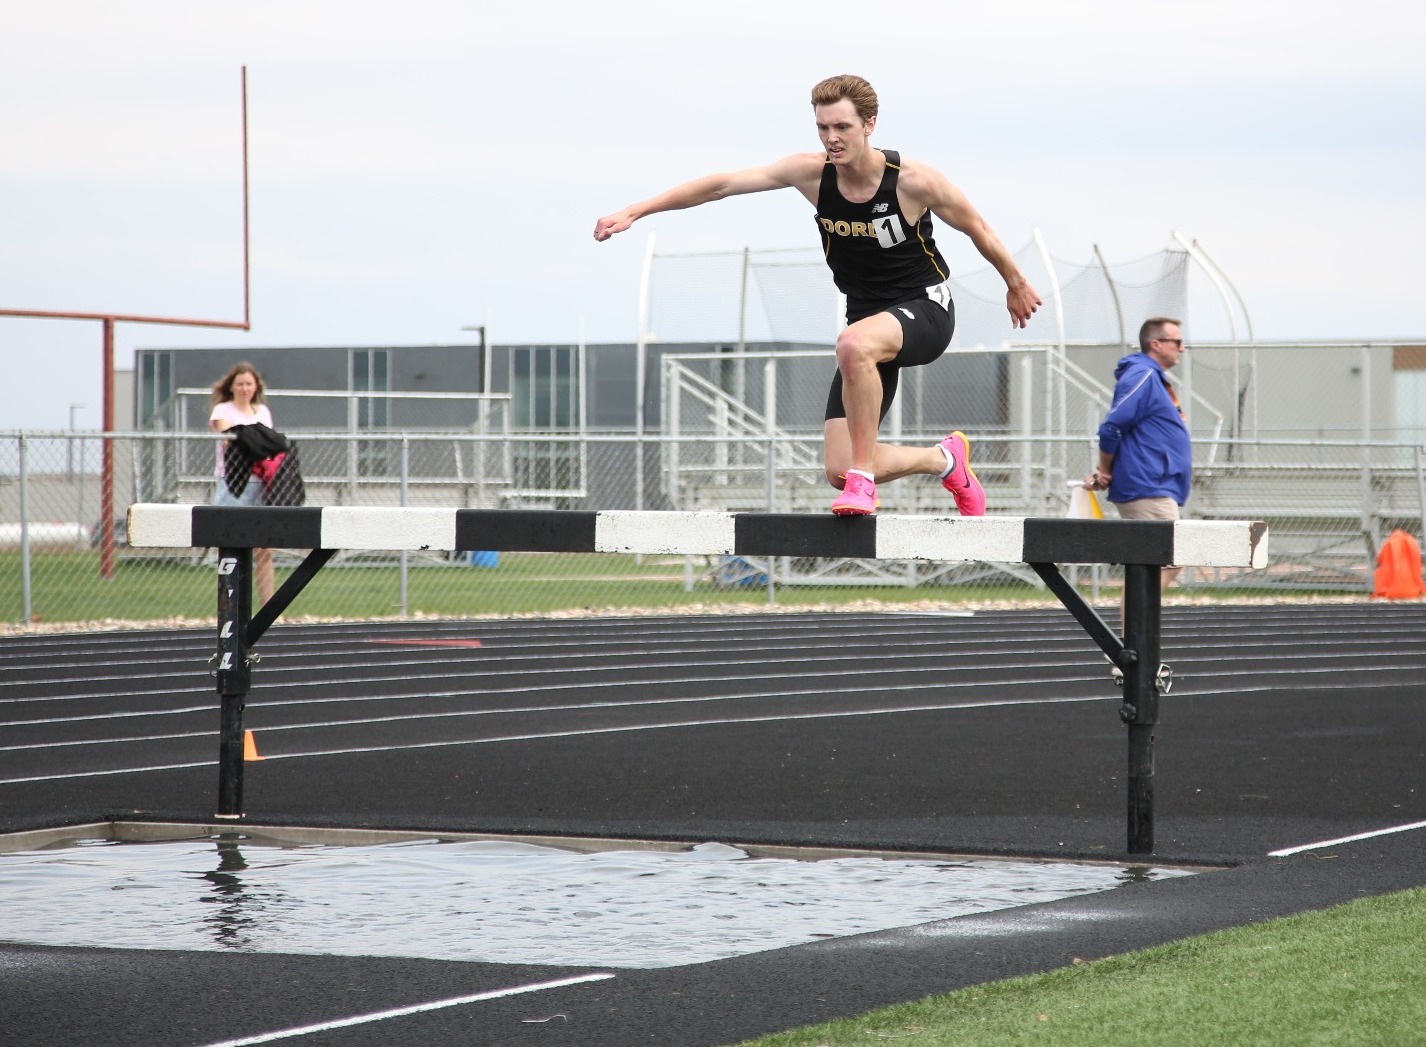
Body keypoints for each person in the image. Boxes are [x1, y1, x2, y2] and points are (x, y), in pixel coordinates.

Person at [594, 73, 1041, 517]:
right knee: (838, 469)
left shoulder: (912, 181)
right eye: (823, 128)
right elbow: (721, 186)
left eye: (842, 127)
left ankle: (865, 483)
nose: (832, 138)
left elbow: (976, 226)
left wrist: (1015, 282)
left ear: (869, 124)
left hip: (925, 309)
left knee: (853, 348)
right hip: (866, 322)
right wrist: (636, 209)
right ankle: (945, 461)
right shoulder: (811, 174)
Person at [1084, 317, 1192, 594]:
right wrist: (1104, 469)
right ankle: (1135, 635)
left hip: (1155, 484)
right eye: (1177, 341)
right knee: (1167, 560)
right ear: (1156, 344)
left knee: (1161, 563)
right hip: (1147, 485)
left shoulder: (1153, 378)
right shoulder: (1143, 374)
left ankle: (1136, 634)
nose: (1182, 348)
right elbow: (1113, 425)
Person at [209, 362, 276, 603]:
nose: (245, 388)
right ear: (232, 386)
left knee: (265, 548)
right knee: (231, 544)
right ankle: (230, 604)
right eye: (240, 384)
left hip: (261, 481)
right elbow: (230, 438)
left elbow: (269, 444)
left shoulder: (262, 412)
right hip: (233, 482)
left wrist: (253, 440)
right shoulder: (222, 410)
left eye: (249, 384)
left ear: (256, 386)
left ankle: (269, 606)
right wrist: (255, 439)